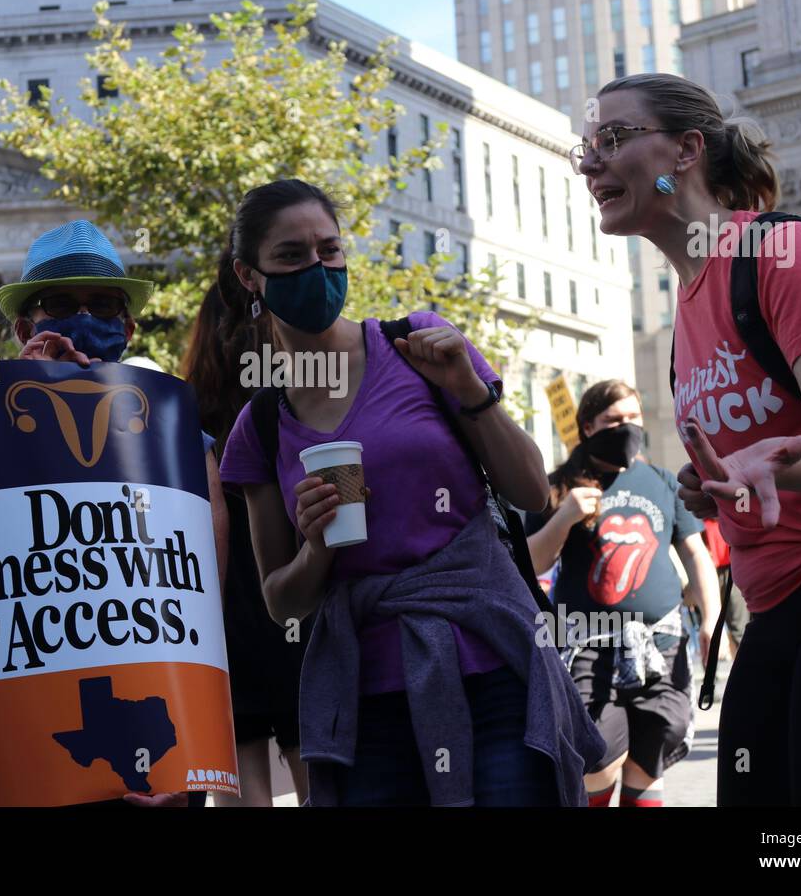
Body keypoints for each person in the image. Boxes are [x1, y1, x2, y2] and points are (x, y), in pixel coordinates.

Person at [575, 72, 801, 805]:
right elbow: (753, 465)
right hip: (778, 609)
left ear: (686, 149)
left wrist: (766, 467)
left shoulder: (784, 255)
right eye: (585, 147)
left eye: (613, 139)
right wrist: (715, 487)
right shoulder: (687, 302)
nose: (591, 162)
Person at [219, 179, 605, 806]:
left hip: (491, 663)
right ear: (249, 275)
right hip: (367, 696)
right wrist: (316, 548)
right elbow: (281, 603)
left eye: (330, 250)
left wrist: (469, 389)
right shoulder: (258, 429)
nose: (317, 268)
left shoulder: (417, 345)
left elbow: (533, 490)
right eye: (291, 256)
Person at [0, 219, 228, 808]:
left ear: (127, 326)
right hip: (15, 728)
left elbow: (199, 612)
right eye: (60, 305)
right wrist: (15, 392)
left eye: (102, 304)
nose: (83, 319)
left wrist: (188, 753)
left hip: (143, 738)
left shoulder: (184, 446)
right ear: (25, 326)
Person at [525, 379, 720, 808]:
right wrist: (566, 517)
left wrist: (710, 618)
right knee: (598, 759)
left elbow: (696, 556)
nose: (627, 427)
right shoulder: (556, 486)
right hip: (588, 647)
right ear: (588, 426)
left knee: (651, 758)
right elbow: (531, 563)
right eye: (614, 420)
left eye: (633, 417)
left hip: (662, 646)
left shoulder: (662, 482)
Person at [183, 257, 310, 806]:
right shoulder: (295, 406)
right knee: (315, 766)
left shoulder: (183, 414)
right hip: (295, 590)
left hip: (221, 602)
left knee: (237, 773)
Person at [699, 517, 747, 661]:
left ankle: (744, 665)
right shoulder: (699, 518)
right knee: (709, 625)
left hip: (732, 570)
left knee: (739, 627)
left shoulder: (728, 514)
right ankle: (709, 670)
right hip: (708, 571)